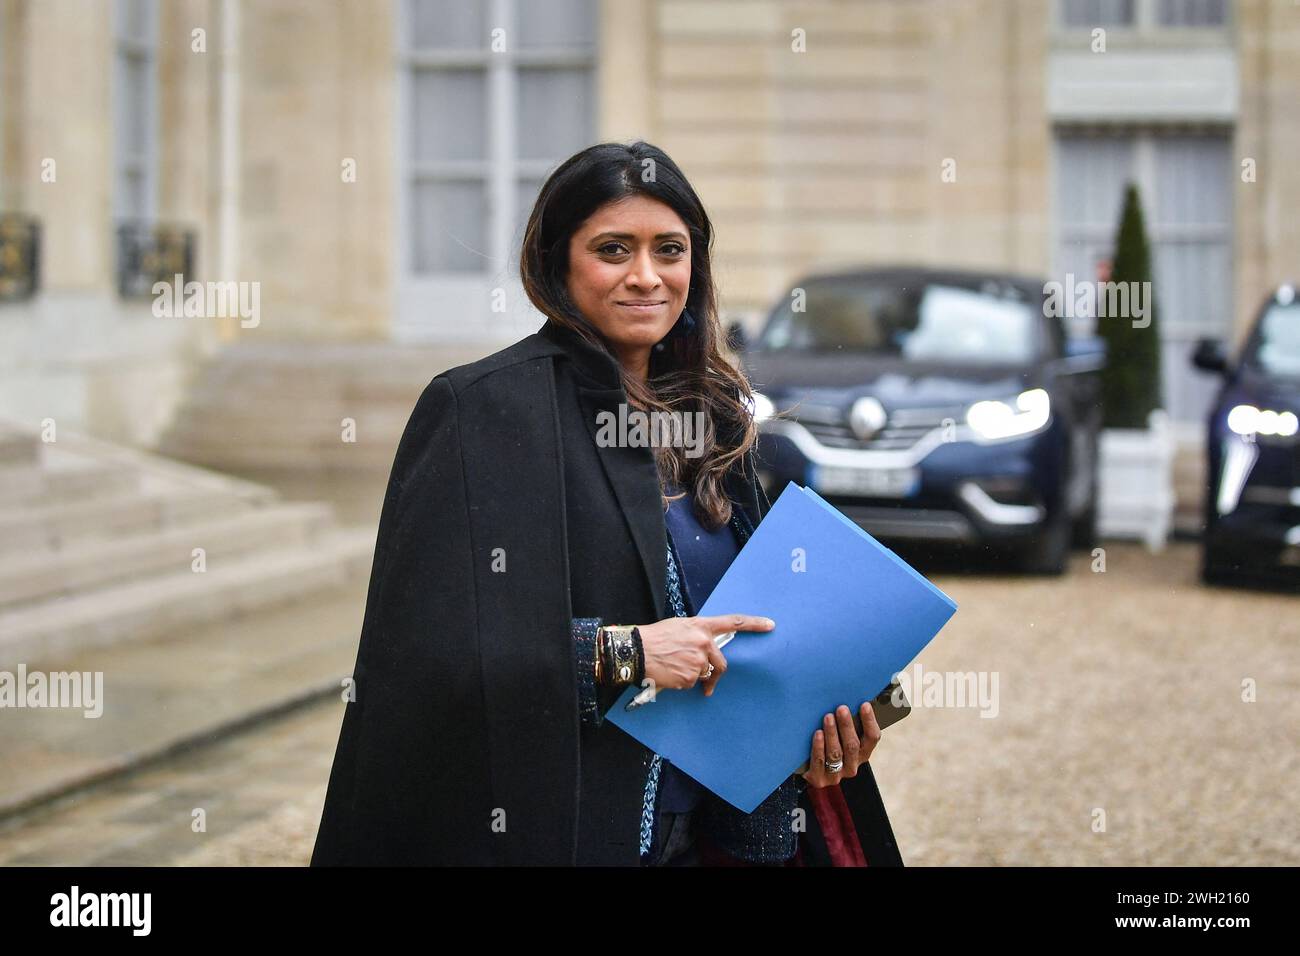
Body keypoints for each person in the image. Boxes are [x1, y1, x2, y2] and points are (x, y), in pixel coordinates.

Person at [310, 140, 902, 866]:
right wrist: (625, 652)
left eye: (670, 249)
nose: (646, 277)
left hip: (725, 840)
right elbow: (426, 656)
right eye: (613, 249)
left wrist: (828, 726)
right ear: (558, 262)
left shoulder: (716, 420)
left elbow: (772, 624)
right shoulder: (480, 410)